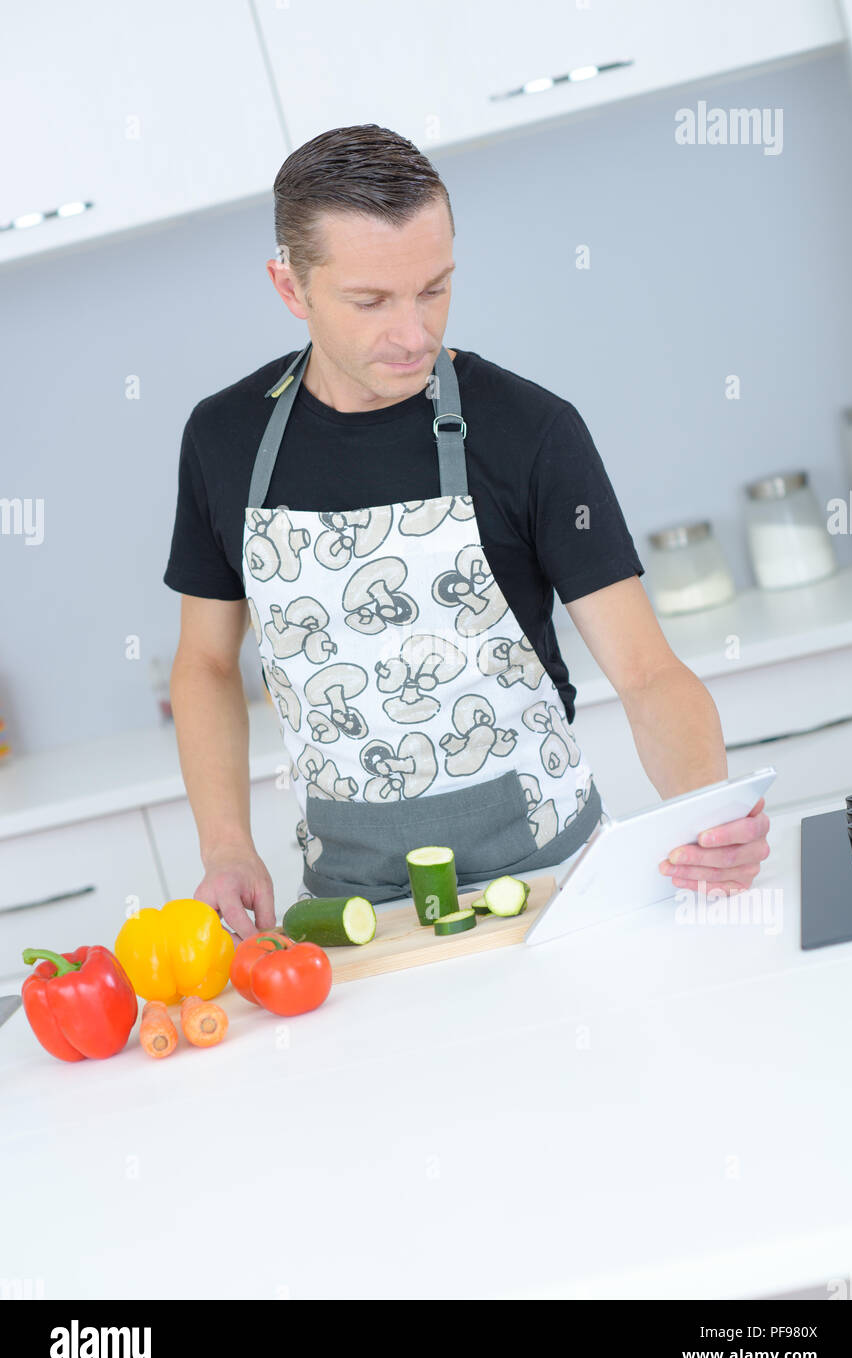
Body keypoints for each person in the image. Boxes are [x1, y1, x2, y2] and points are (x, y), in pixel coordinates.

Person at [163, 124, 769, 940]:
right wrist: (227, 845)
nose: (414, 334)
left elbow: (646, 672)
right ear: (290, 287)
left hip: (555, 887)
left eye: (435, 289)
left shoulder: (530, 430)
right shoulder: (224, 440)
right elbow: (202, 664)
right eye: (371, 301)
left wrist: (702, 815)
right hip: (348, 912)